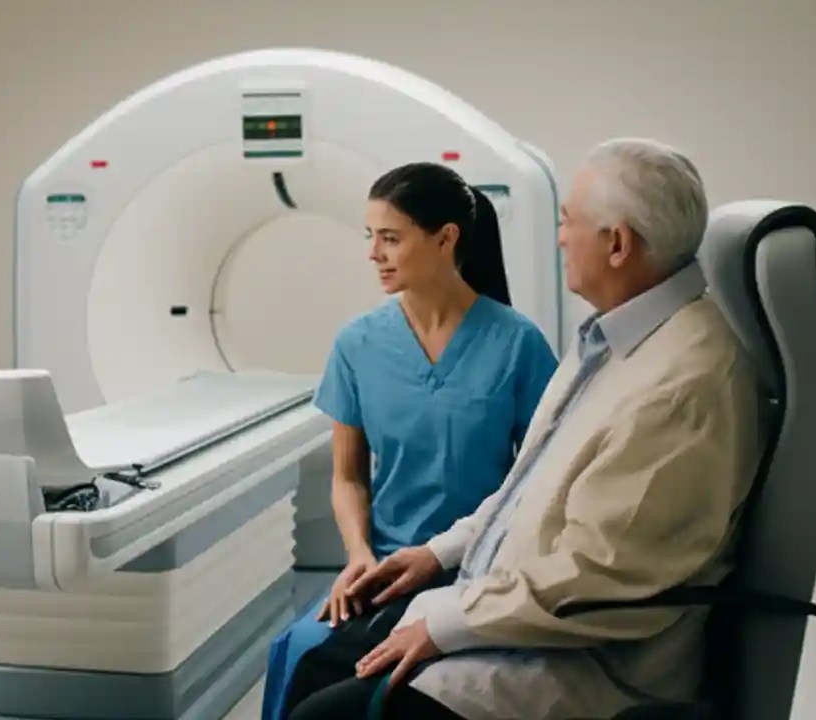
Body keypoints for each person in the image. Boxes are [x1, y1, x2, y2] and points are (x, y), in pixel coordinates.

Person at [282, 138, 767, 720]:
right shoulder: (616, 342)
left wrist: (443, 622)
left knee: (325, 712)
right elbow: (524, 489)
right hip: (513, 600)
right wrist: (437, 555)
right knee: (314, 668)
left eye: (568, 222)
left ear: (616, 244)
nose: (559, 237)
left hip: (580, 657)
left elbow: (597, 576)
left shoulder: (680, 385)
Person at [260, 162, 559, 720]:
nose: (374, 253)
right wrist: (357, 554)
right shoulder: (357, 343)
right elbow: (348, 475)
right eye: (370, 236)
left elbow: (543, 475)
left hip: (479, 563)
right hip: (384, 565)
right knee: (298, 652)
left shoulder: (517, 343)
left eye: (391, 238)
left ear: (446, 238)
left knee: (397, 681)